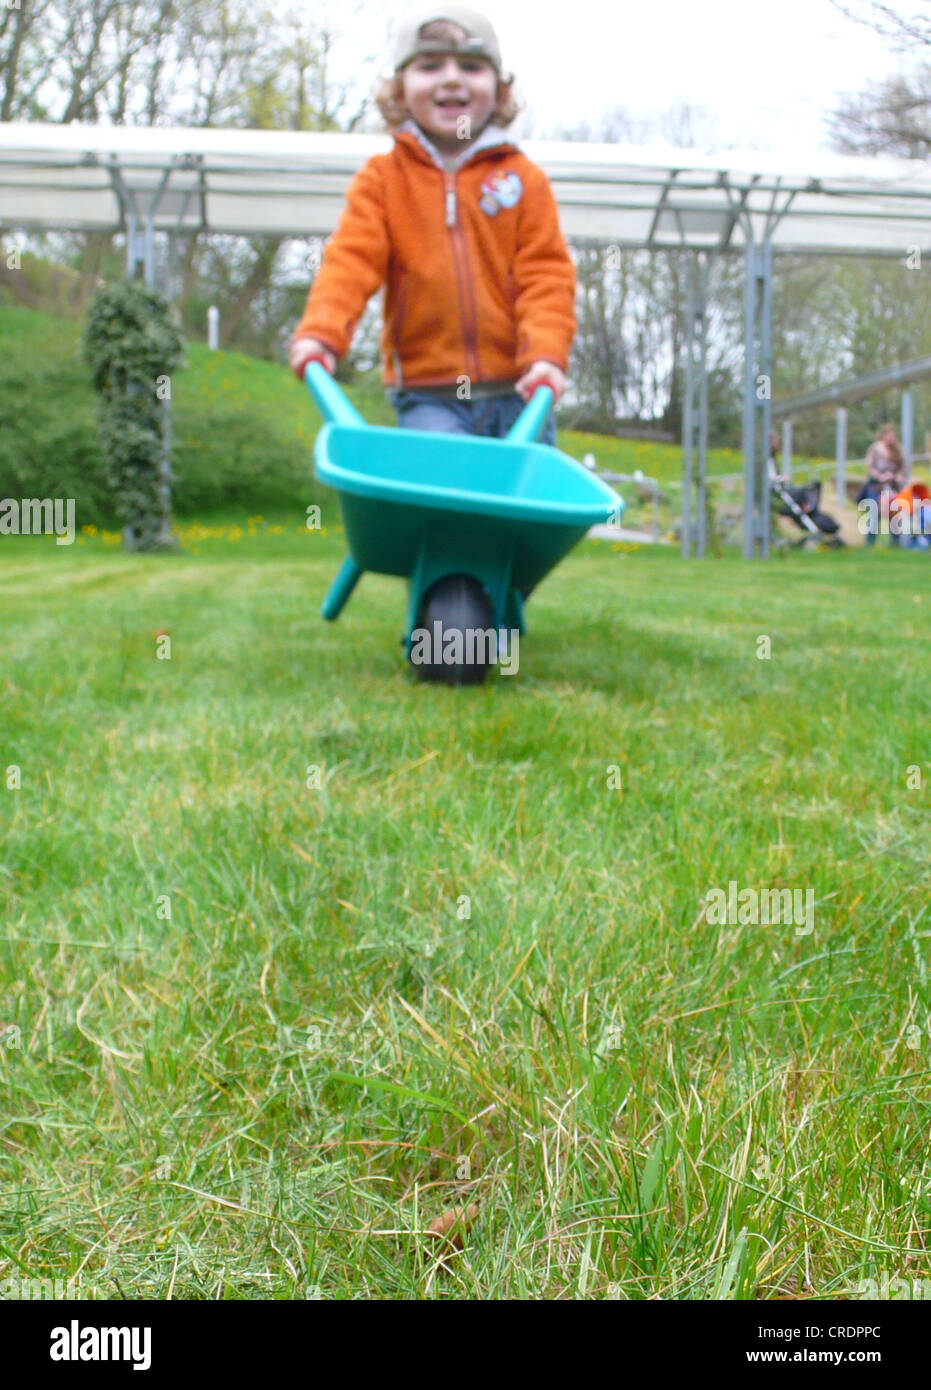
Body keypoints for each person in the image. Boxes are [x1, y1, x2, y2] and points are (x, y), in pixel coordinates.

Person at [288, 6, 575, 447]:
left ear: (500, 90)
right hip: (430, 396)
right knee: (445, 488)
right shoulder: (384, 179)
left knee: (523, 490)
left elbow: (547, 275)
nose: (452, 79)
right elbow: (350, 260)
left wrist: (547, 354)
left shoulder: (522, 180)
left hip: (520, 391)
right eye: (430, 66)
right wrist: (322, 332)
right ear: (400, 89)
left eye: (471, 67)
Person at [859, 423, 906, 547]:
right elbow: (870, 468)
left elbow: (903, 467)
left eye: (893, 436)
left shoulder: (897, 449)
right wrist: (880, 476)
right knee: (874, 512)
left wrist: (899, 476)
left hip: (892, 487)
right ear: (883, 435)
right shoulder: (875, 448)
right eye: (889, 436)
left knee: (895, 512)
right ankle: (870, 543)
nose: (891, 439)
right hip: (876, 487)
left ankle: (895, 543)